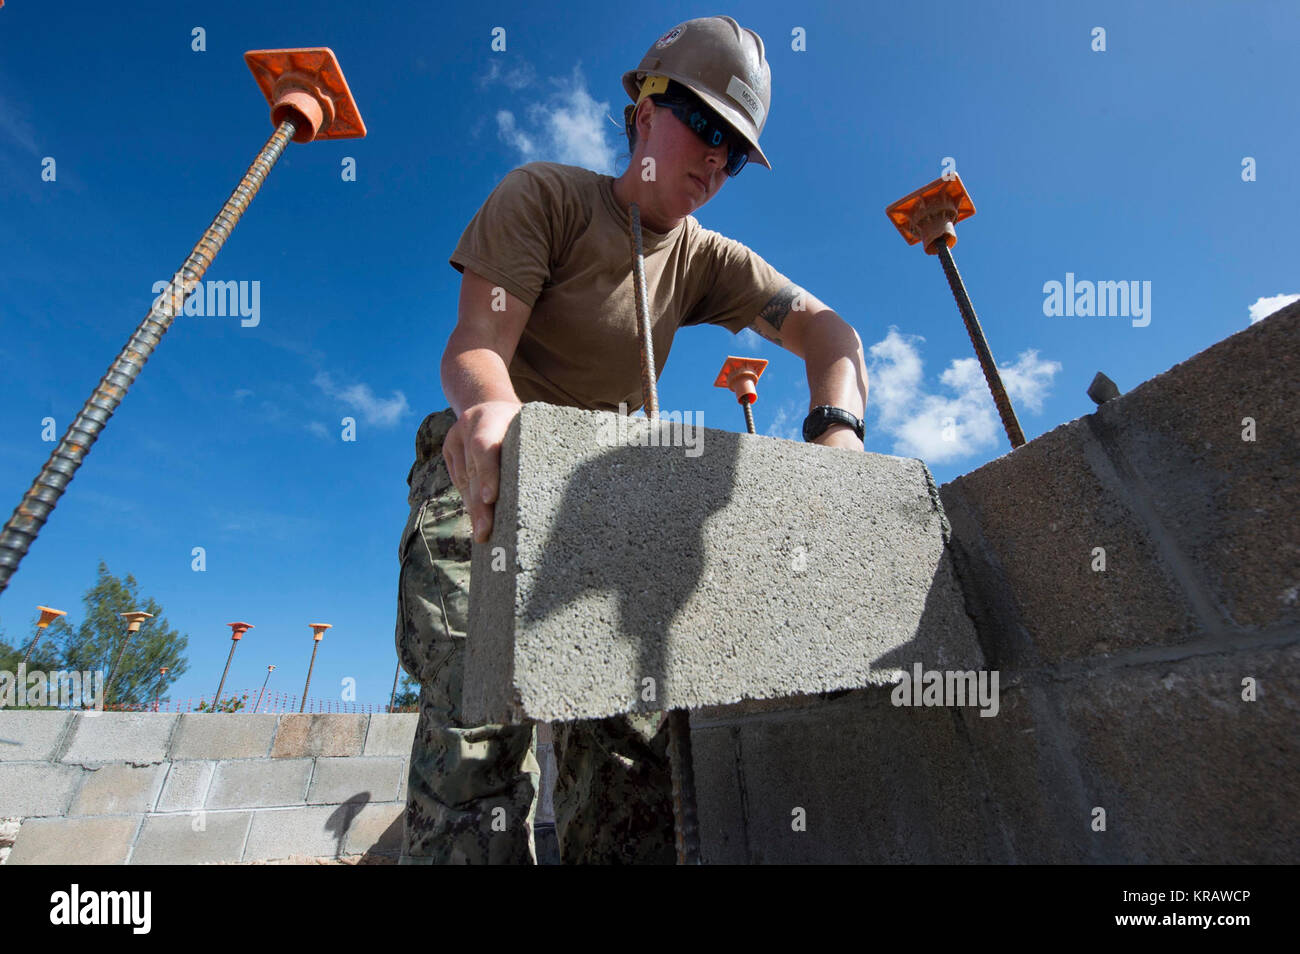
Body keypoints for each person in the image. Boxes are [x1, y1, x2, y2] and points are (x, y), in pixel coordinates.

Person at [395, 14, 870, 865]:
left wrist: (838, 439)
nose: (718, 161)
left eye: (735, 151)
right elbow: (476, 347)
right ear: (644, 108)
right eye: (706, 127)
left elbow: (833, 336)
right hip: (486, 472)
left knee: (632, 759)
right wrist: (494, 416)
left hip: (603, 502)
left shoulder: (710, 261)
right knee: (479, 706)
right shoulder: (544, 197)